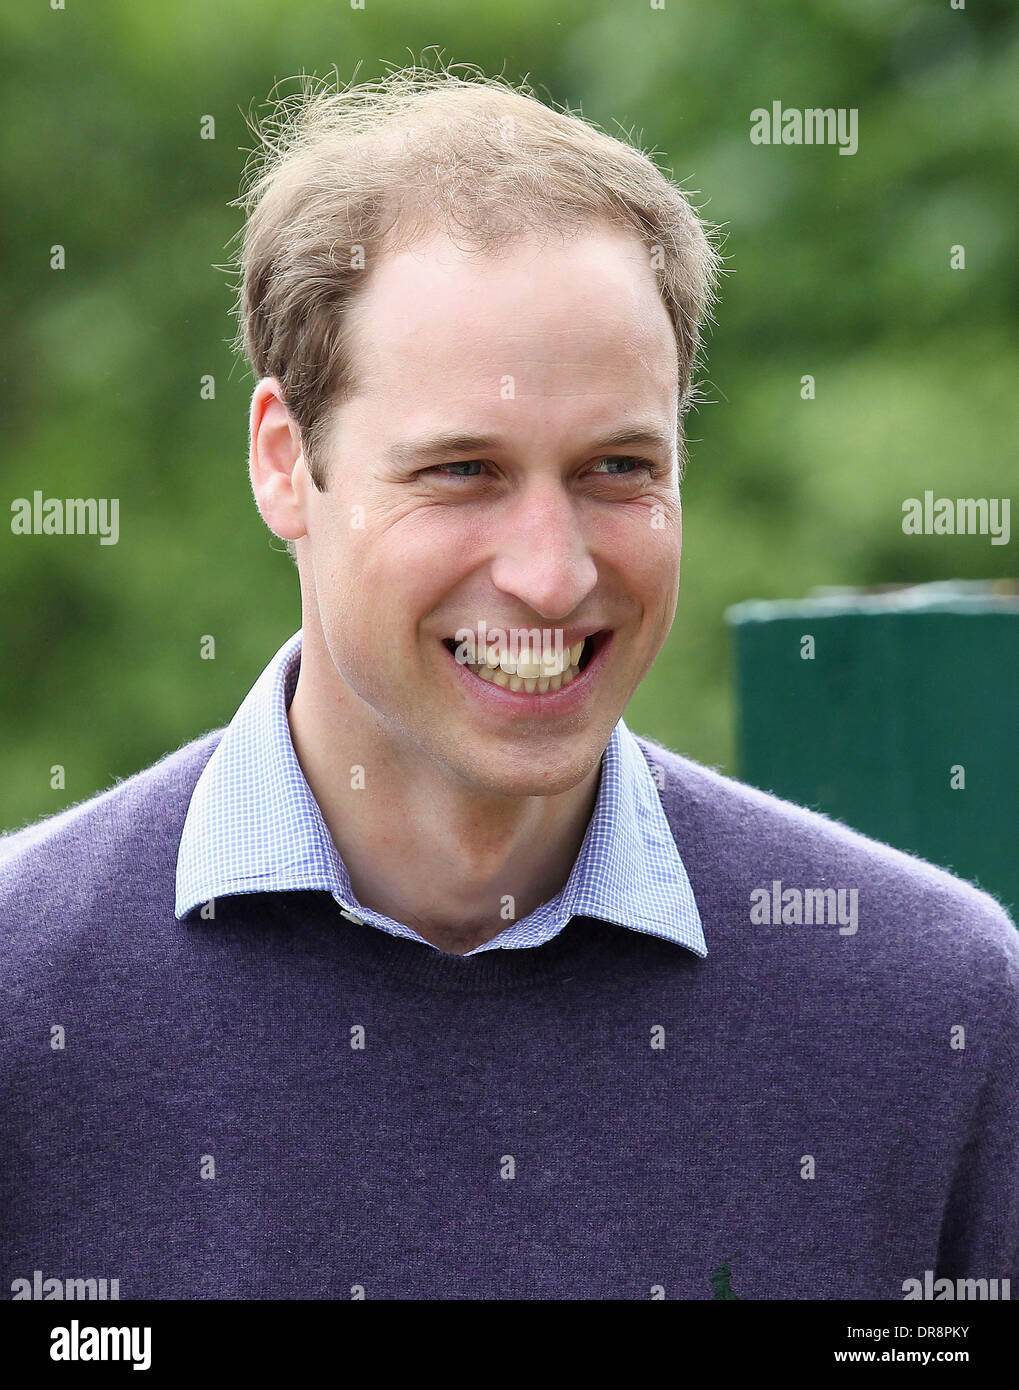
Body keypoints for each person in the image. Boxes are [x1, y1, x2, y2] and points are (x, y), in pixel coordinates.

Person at [2, 66, 1016, 1301]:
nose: (550, 572)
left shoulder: (930, 1014)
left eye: (615, 467)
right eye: (463, 471)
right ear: (284, 463)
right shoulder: (24, 1001)